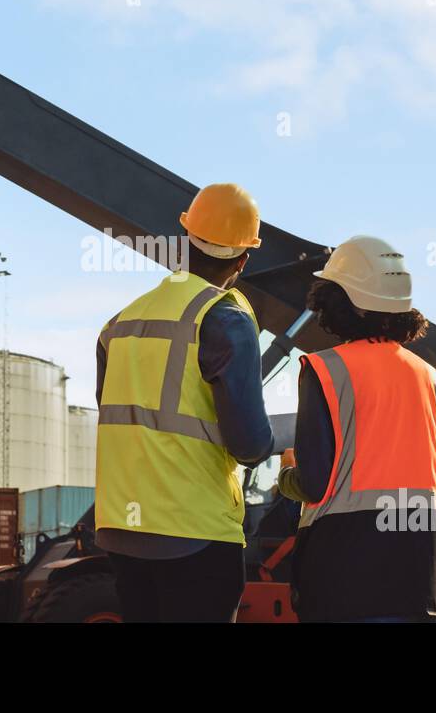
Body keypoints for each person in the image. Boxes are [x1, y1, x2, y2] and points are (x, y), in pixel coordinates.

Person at [94, 183, 275, 622]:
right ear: (243, 258)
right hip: (193, 532)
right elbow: (250, 444)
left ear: (184, 241)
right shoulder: (224, 317)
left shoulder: (119, 323)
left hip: (122, 529)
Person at [277, 235, 436, 622]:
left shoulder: (324, 370)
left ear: (338, 304)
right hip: (420, 579)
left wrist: (286, 476)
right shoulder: (431, 379)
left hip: (345, 579)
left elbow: (314, 484)